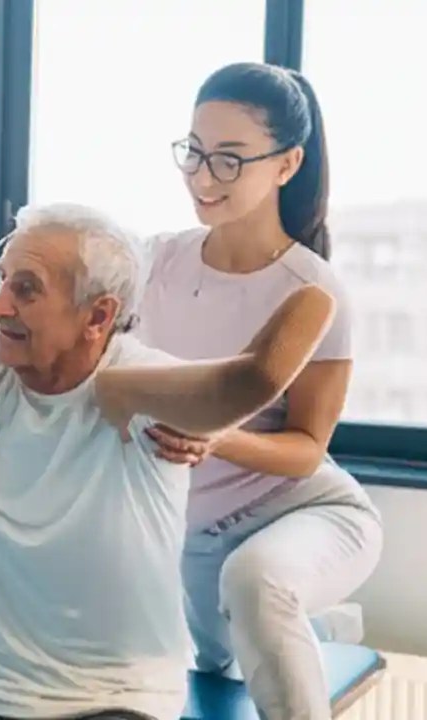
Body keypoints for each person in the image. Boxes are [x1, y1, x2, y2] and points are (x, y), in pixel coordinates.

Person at [0, 202, 336, 720]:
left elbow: (255, 379)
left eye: (26, 289)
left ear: (99, 316)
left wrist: (318, 292)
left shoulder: (134, 392)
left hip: (114, 700)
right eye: (2, 279)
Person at [137, 62, 383, 719]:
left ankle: (298, 608)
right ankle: (324, 626)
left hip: (305, 511)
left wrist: (219, 437)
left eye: (228, 159)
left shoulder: (315, 290)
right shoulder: (156, 261)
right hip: (197, 540)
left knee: (257, 584)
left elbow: (307, 448)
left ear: (287, 163)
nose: (201, 177)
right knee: (220, 650)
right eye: (193, 151)